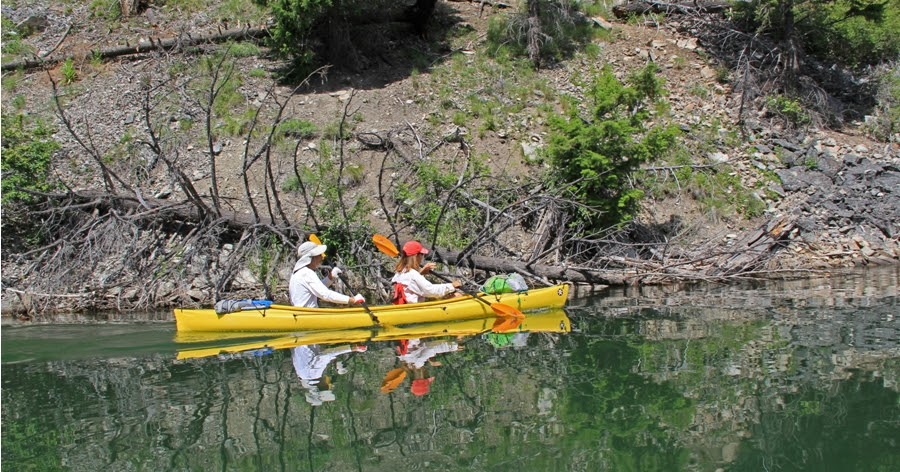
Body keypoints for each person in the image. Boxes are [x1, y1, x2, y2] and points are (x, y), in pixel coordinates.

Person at [290, 241, 365, 307]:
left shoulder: (298, 272)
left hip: (301, 314)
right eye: (319, 255)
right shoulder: (307, 273)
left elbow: (318, 288)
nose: (322, 258)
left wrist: (330, 277)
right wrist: (352, 300)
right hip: (308, 315)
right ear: (311, 258)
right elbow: (325, 294)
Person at [291, 343, 367, 406]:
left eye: (327, 387)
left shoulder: (313, 374)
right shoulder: (303, 376)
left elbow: (326, 355)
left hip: (303, 337)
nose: (328, 385)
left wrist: (352, 348)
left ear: (321, 386)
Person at [390, 240, 461, 304]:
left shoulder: (399, 272)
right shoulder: (413, 274)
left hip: (407, 306)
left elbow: (410, 283)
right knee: (458, 296)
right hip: (416, 308)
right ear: (416, 256)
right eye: (422, 254)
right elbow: (431, 291)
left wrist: (421, 272)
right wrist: (451, 285)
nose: (422, 257)